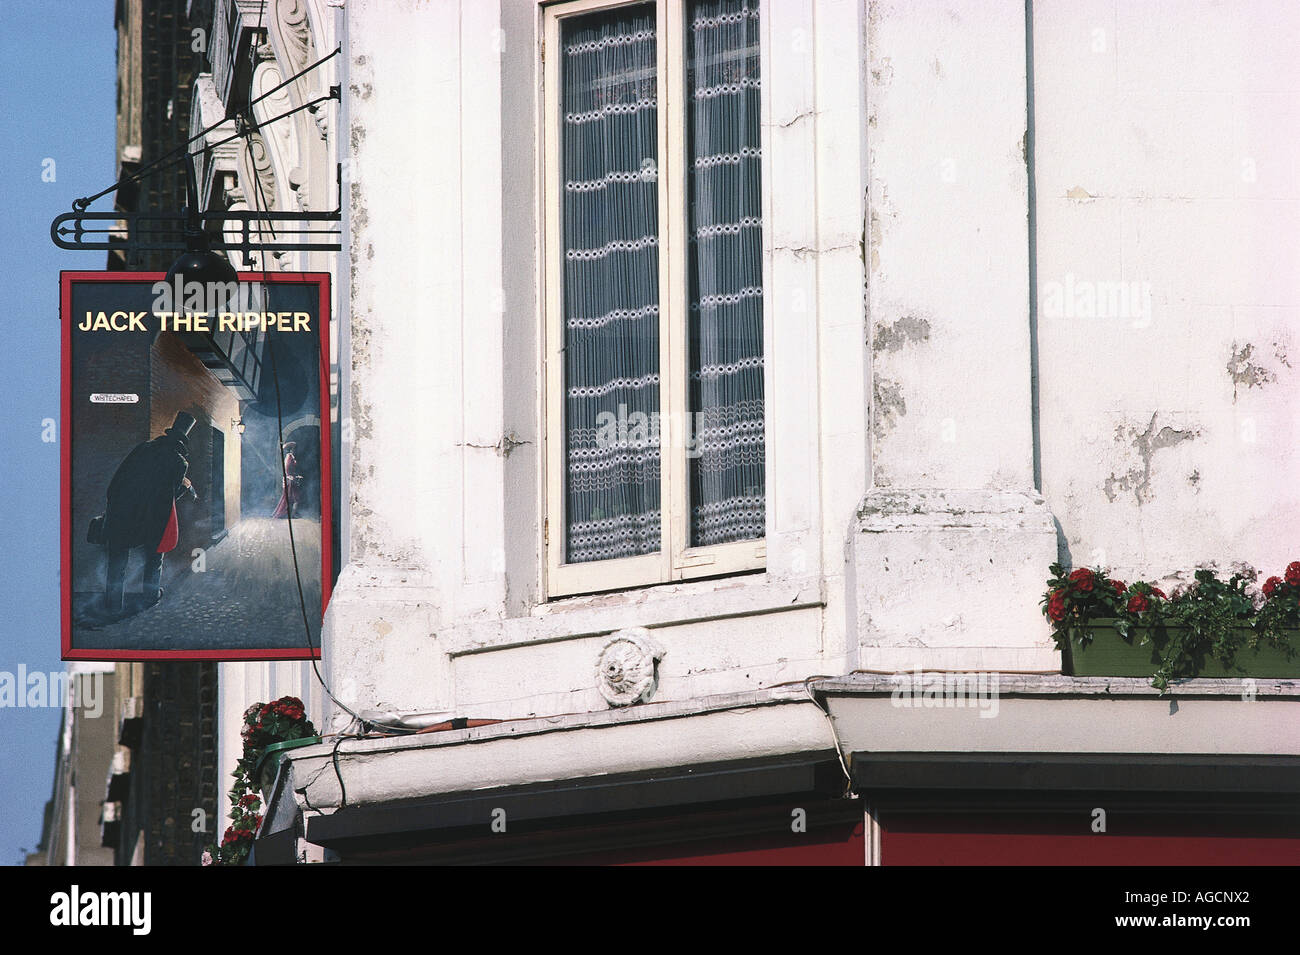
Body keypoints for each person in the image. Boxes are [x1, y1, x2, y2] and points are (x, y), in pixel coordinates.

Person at [103, 412, 199, 613]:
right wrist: (185, 486)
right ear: (181, 443)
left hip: (122, 512)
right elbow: (168, 497)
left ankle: (112, 605)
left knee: (117, 564)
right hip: (150, 517)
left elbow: (116, 483)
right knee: (154, 559)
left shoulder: (143, 449)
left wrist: (115, 506)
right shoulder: (179, 463)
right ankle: (150, 597)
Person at [271, 441, 303, 518]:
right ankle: (289, 514)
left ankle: (292, 514)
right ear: (291, 450)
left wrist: (297, 475)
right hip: (290, 480)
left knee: (293, 498)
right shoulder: (289, 457)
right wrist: (294, 476)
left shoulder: (291, 457)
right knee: (290, 498)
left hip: (291, 479)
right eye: (294, 449)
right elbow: (288, 469)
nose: (296, 450)